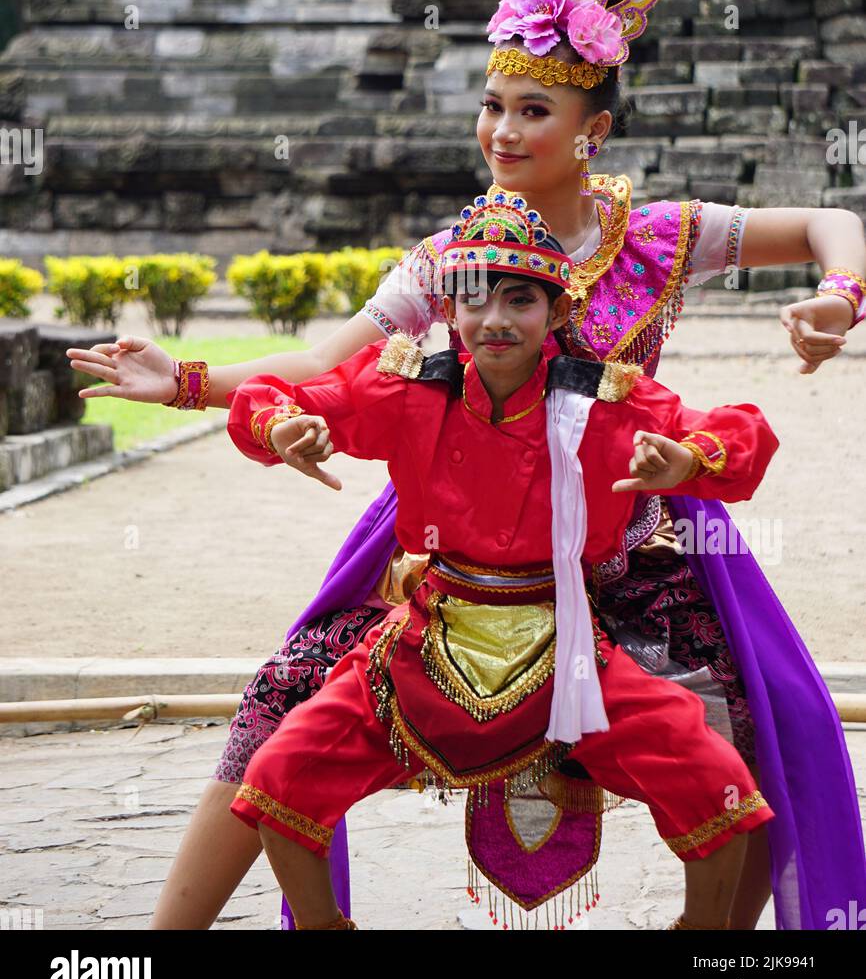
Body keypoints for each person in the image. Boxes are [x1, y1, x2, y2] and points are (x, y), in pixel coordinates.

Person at [64, 0, 866, 931]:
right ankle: (160, 946)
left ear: (593, 129)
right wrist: (188, 376)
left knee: (762, 712)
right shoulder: (451, 263)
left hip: (626, 536)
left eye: (531, 109)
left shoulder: (663, 236)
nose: (499, 129)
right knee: (279, 700)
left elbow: (830, 218)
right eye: (490, 105)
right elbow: (321, 368)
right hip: (447, 543)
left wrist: (840, 295)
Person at [223, 191, 778, 931]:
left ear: (554, 311)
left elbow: (740, 431)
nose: (494, 321)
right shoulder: (410, 388)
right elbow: (279, 394)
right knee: (277, 777)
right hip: (427, 640)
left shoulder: (603, 402)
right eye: (473, 300)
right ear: (449, 313)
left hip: (570, 649)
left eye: (519, 300)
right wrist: (284, 426)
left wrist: (688, 459)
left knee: (720, 787)